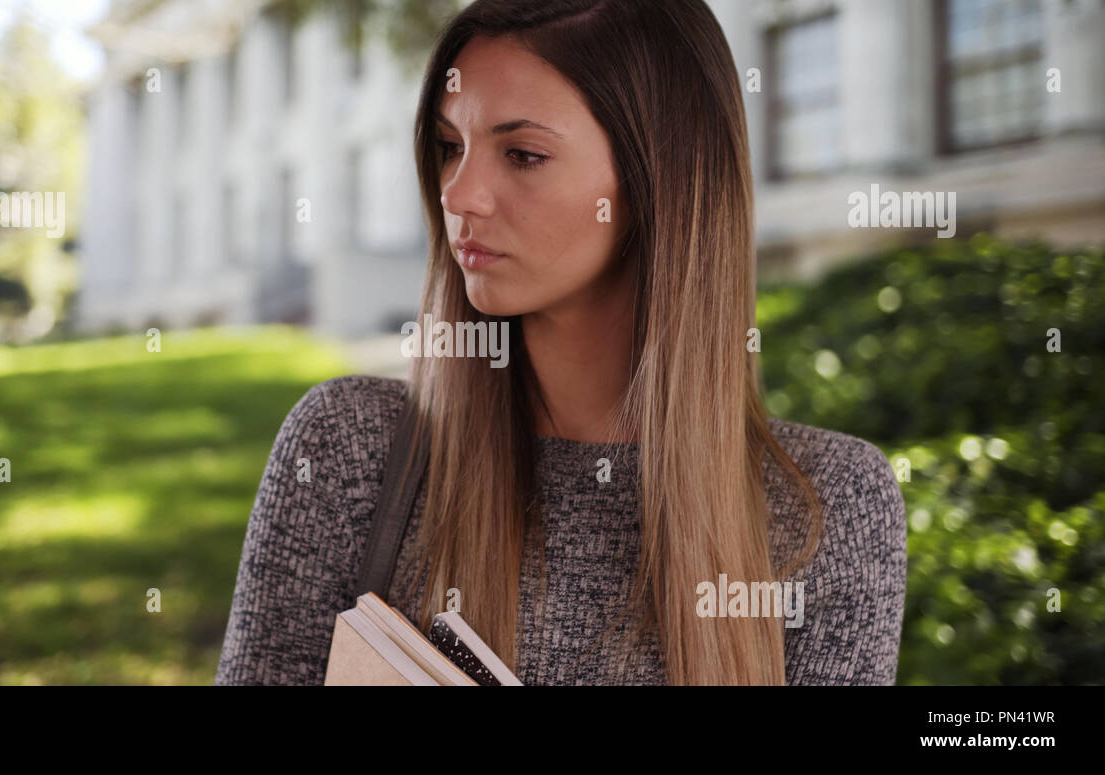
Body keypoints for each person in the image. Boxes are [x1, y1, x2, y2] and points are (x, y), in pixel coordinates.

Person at [215, 0, 906, 686]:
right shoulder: (347, 452)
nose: (460, 194)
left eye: (522, 154)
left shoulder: (830, 509)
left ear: (654, 179)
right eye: (450, 146)